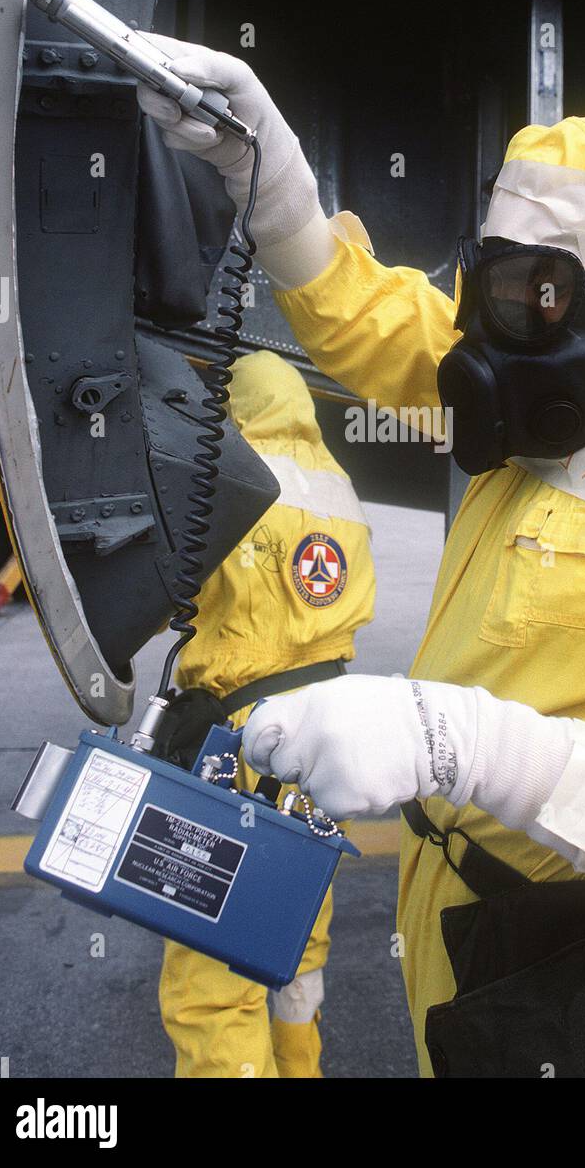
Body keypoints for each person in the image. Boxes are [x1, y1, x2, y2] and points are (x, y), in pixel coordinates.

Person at [138, 37, 585, 1078]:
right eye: (489, 283)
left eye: (532, 296)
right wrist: (265, 171)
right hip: (464, 941)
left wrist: (458, 742)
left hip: (581, 966)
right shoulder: (541, 385)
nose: (485, 333)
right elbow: (379, 327)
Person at [157, 348, 376, 1078]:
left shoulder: (228, 480)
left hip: (242, 750)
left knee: (212, 980)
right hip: (324, 742)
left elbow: (175, 595)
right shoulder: (338, 490)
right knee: (293, 936)